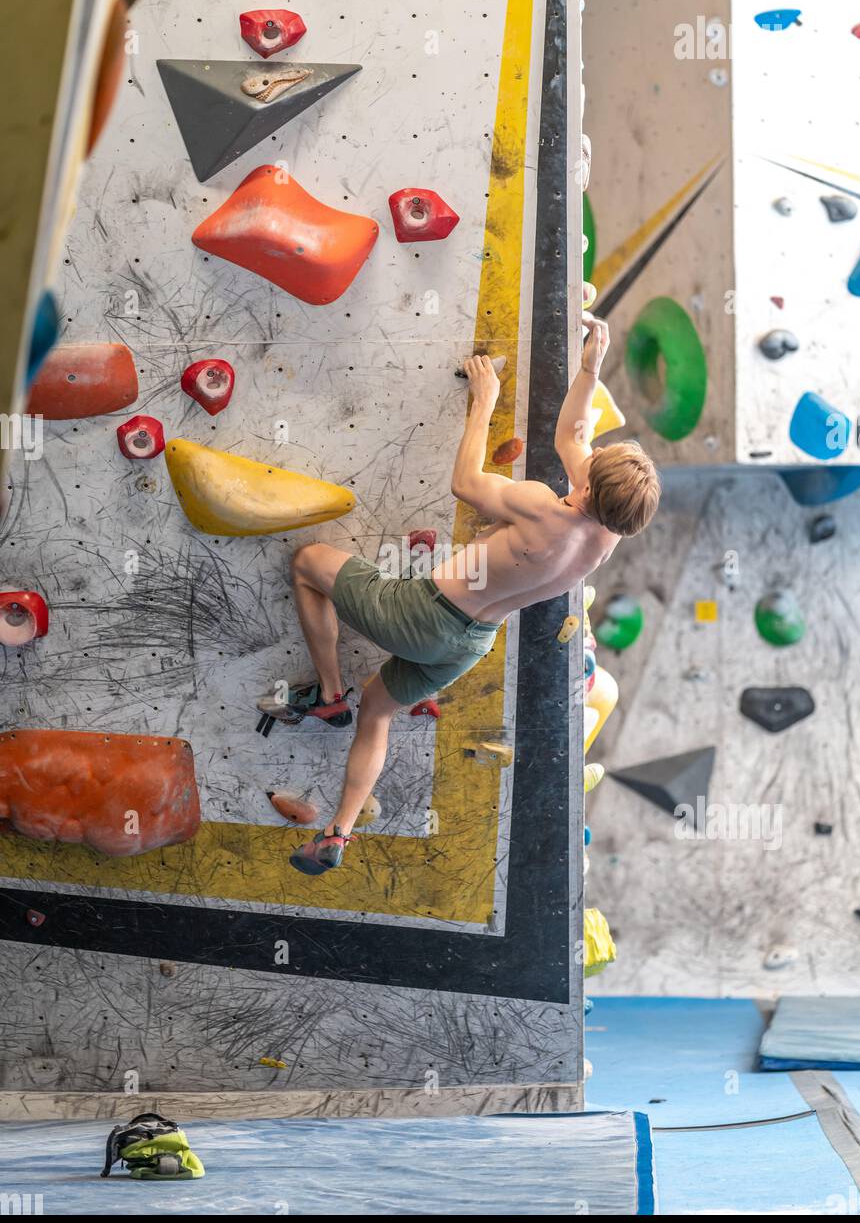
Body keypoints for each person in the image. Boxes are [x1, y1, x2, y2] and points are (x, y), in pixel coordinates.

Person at [260, 315, 660, 874]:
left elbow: (466, 484)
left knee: (308, 564)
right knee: (376, 710)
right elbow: (572, 436)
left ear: (587, 485)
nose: (585, 456)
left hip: (426, 614)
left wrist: (484, 399)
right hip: (468, 646)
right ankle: (339, 832)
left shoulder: (543, 505)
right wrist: (590, 365)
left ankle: (329, 692)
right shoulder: (604, 539)